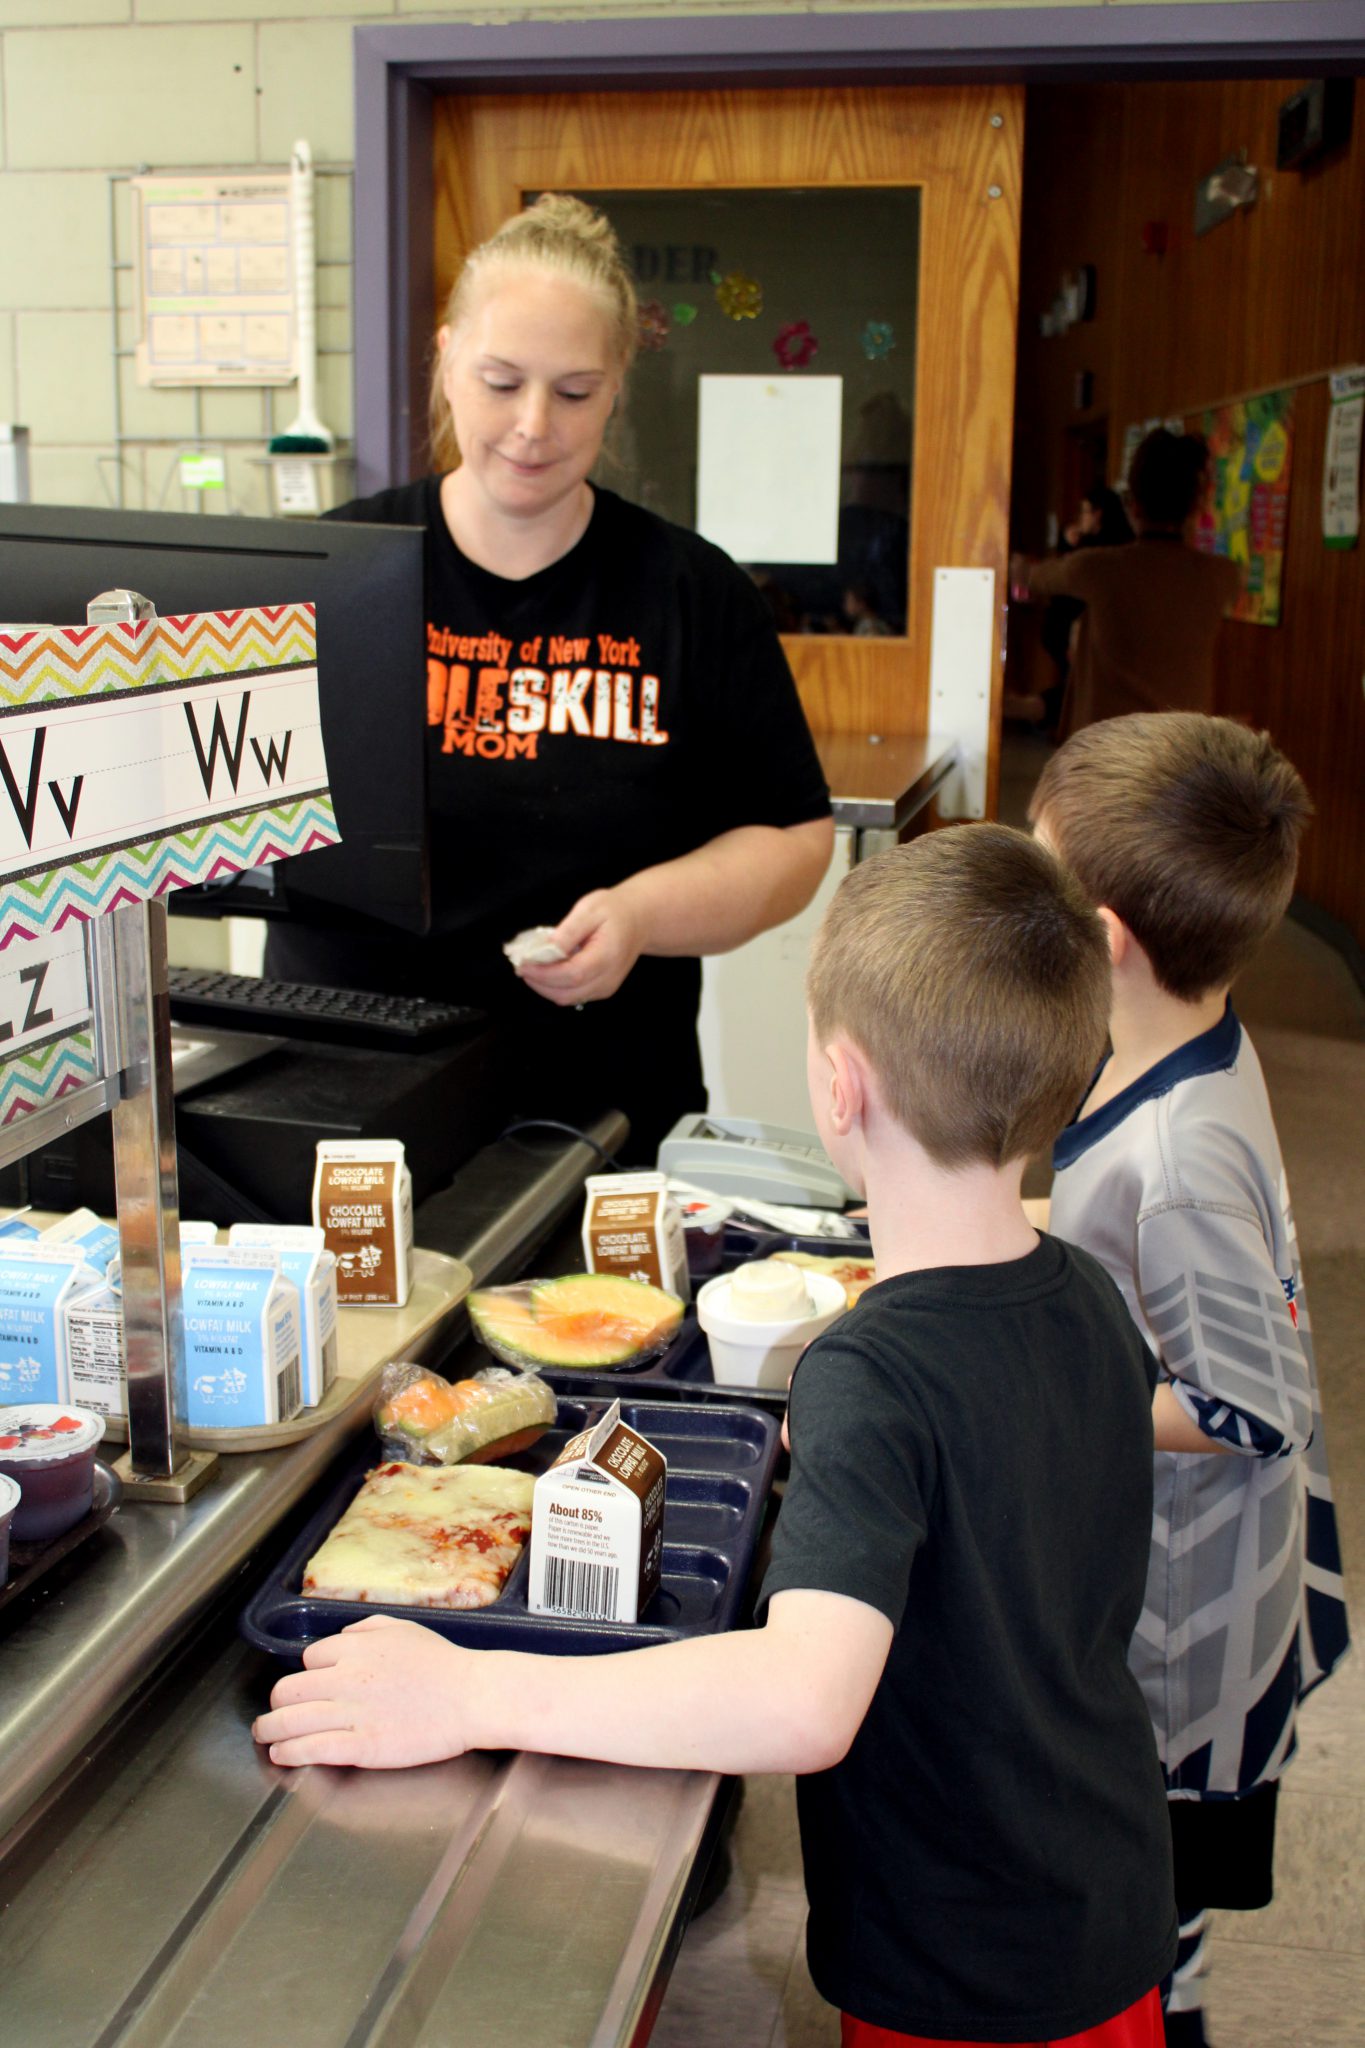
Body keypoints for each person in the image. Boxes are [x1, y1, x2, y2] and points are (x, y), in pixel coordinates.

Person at [255, 823, 1179, 2048]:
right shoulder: (1087, 1293)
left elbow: (804, 1701)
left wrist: (470, 1690)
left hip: (971, 1966)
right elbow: (1009, 1485)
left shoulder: (871, 1371)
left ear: (839, 1086)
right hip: (1100, 1884)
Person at [267, 194, 833, 1165]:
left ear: (616, 391)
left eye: (574, 393)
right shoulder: (327, 576)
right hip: (340, 1099)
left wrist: (642, 913)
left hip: (600, 1107)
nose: (533, 426)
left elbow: (793, 837)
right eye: (501, 382)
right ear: (447, 358)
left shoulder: (692, 591)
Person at [1028, 714, 1351, 2048]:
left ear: (1102, 940)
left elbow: (1251, 1407)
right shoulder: (1181, 1045)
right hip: (1173, 1583)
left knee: (1146, 1925)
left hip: (1181, 1630)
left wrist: (1060, 1397)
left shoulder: (1175, 1165)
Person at [1011, 431, 1239, 735]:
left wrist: (1015, 562)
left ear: (1133, 504)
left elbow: (1030, 576)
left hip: (1110, 745)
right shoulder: (1223, 575)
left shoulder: (1099, 567)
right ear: (1196, 505)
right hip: (1184, 745)